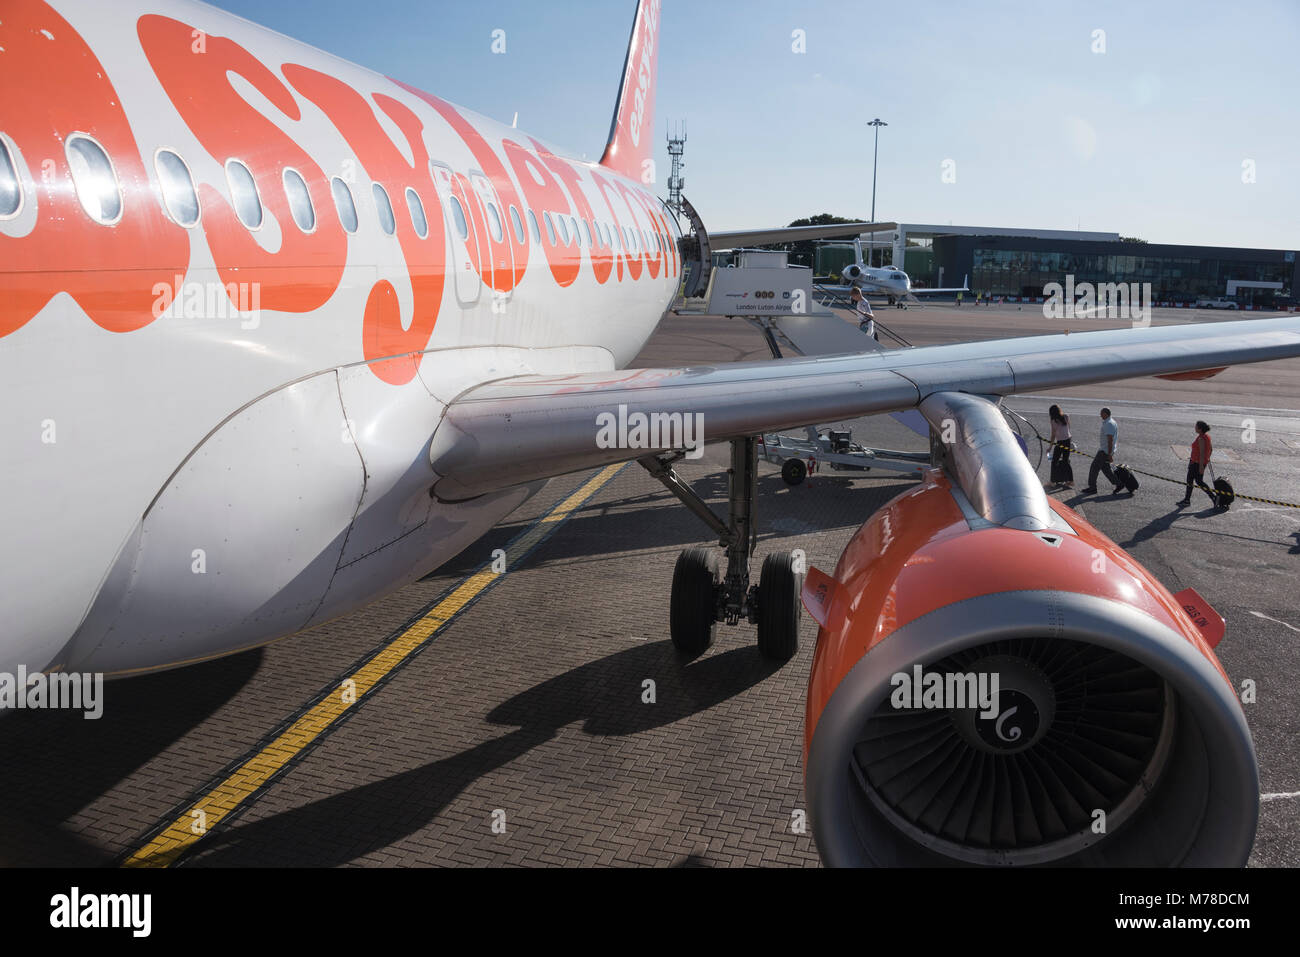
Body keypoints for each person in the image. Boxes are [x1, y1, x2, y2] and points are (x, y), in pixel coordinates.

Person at [1081, 407, 1122, 495]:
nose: (1100, 415)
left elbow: (1110, 440)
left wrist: (1109, 454)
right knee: (1106, 469)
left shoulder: (1109, 424)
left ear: (1105, 414)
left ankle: (1092, 488)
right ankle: (1119, 484)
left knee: (1094, 468)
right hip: (1106, 450)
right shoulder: (1111, 422)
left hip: (1105, 451)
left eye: (1101, 413)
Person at [1177, 421, 1218, 507]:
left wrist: (1201, 466)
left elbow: (1202, 453)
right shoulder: (1207, 437)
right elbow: (1211, 449)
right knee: (1199, 481)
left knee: (1191, 481)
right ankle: (1213, 498)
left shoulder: (1201, 438)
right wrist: (1207, 459)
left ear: (1200, 429)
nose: (1194, 428)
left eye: (1196, 426)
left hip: (1196, 463)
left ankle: (1187, 500)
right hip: (1200, 462)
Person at [1047, 404, 1073, 488]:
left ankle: (1052, 481)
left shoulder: (1053, 421)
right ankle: (1070, 481)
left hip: (1060, 442)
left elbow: (1053, 435)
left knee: (1054, 461)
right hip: (1068, 441)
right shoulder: (1066, 417)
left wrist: (1050, 447)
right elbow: (1069, 428)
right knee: (1065, 461)